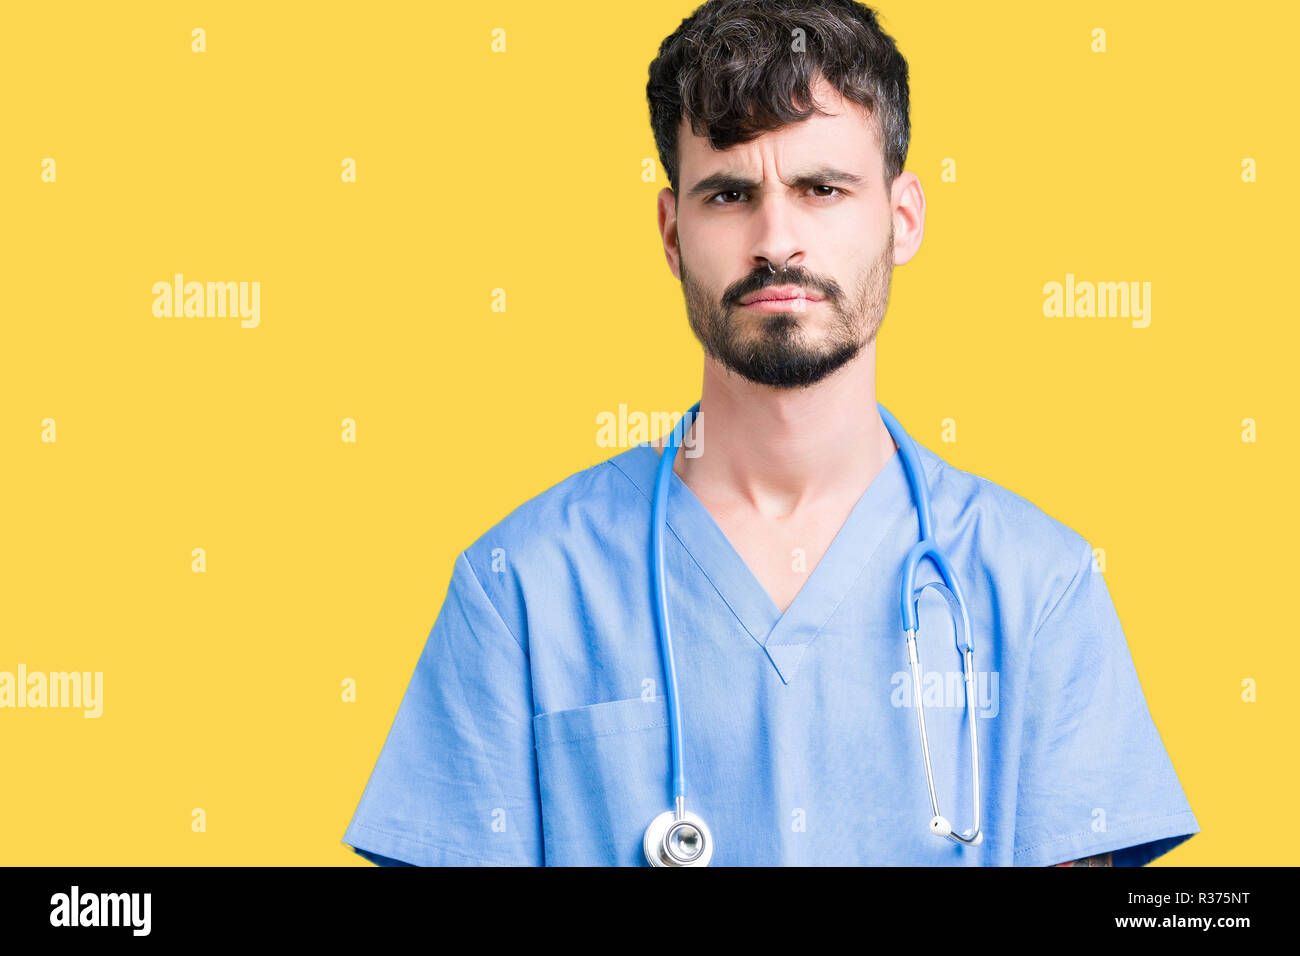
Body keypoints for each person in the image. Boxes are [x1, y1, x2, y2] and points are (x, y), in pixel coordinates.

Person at [341, 0, 1199, 866]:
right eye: (731, 194)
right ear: (674, 233)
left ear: (903, 219)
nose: (776, 240)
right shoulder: (520, 589)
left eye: (822, 189)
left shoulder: (1039, 587)